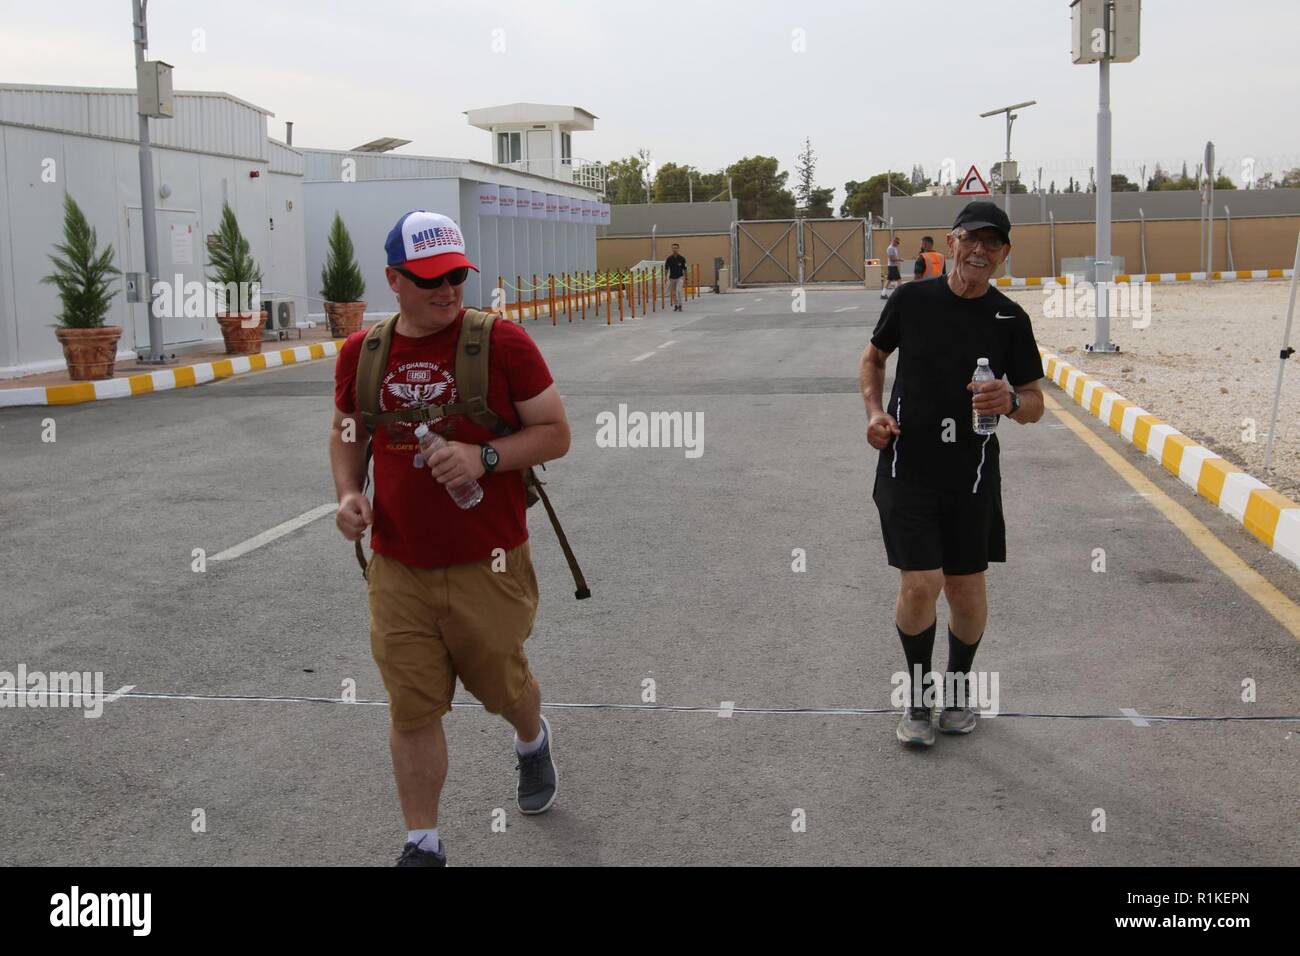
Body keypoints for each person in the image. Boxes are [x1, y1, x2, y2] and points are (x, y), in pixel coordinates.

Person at [330, 210, 572, 865]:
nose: (447, 290)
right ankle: (423, 841)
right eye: (430, 279)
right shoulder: (363, 354)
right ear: (393, 279)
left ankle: (531, 740)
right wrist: (350, 494)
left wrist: (483, 458)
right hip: (398, 565)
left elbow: (555, 431)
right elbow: (349, 431)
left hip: (488, 562)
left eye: (456, 277)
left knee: (503, 686)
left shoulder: (504, 344)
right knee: (412, 707)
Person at [858, 200, 1045, 747]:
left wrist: (1009, 398)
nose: (980, 250)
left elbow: (1034, 403)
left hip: (972, 474)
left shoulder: (1012, 319)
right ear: (951, 241)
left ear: (1005, 254)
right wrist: (874, 413)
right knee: (921, 583)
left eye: (993, 243)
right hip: (907, 466)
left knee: (965, 587)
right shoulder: (912, 299)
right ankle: (918, 697)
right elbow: (873, 359)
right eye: (972, 239)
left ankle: (958, 688)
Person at [665, 243, 688, 311]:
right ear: (672, 249)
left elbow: (685, 269)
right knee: (674, 293)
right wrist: (665, 277)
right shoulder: (669, 259)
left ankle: (680, 305)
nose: (674, 249)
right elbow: (666, 268)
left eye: (676, 248)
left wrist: (686, 277)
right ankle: (676, 305)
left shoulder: (682, 259)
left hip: (679, 277)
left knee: (679, 291)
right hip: (672, 278)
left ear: (678, 249)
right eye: (673, 248)